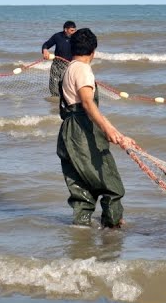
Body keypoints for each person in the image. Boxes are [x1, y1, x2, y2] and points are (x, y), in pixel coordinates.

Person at [56, 27, 135, 228]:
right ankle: (112, 233)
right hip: (82, 131)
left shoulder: (69, 69)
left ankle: (81, 236)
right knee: (112, 187)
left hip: (68, 132)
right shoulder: (83, 69)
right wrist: (110, 130)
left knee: (81, 190)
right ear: (93, 52)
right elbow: (88, 103)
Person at [41, 20, 77, 97]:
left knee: (68, 86)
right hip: (57, 64)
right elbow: (46, 44)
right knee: (53, 85)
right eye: (71, 30)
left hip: (70, 65)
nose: (74, 32)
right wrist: (45, 50)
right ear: (65, 29)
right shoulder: (57, 36)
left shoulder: (77, 38)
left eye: (74, 30)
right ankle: (55, 102)